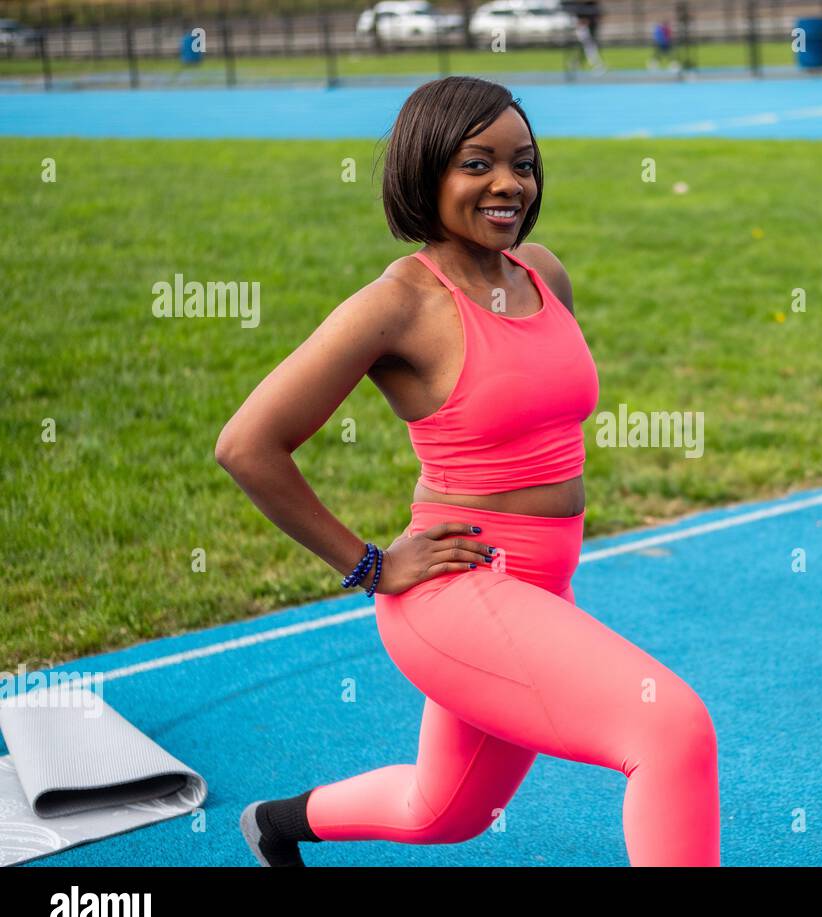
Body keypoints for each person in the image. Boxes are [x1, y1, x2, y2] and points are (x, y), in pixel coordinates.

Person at [217, 75, 721, 867]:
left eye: (522, 163)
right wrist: (371, 565)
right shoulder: (398, 305)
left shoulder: (542, 273)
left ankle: (274, 824)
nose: (508, 184)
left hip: (543, 586)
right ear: (425, 171)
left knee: (443, 812)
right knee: (670, 728)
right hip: (455, 587)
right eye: (476, 163)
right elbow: (247, 445)